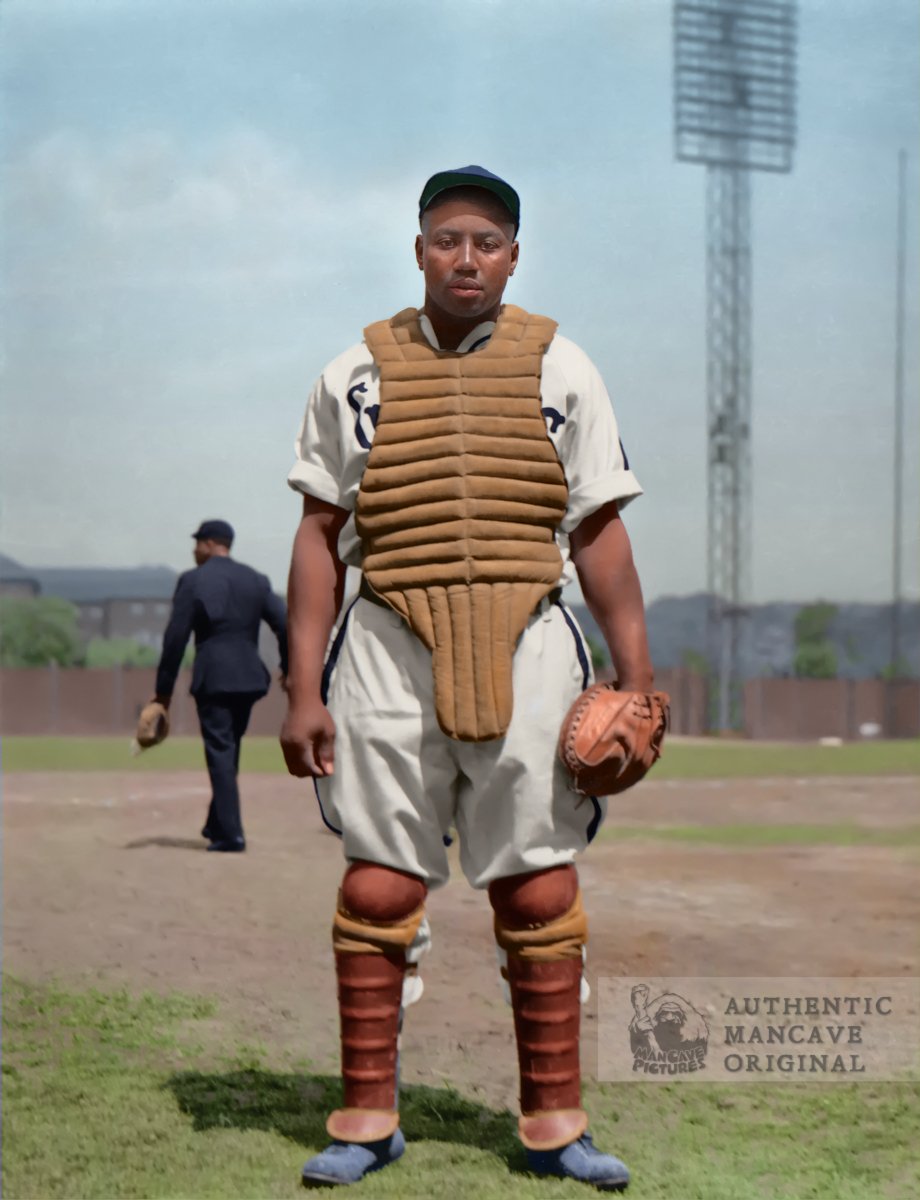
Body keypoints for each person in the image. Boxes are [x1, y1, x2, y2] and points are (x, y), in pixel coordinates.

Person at [281, 166, 654, 1191]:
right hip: (387, 643)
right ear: (417, 250)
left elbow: (598, 528)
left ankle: (553, 1121)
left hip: (528, 637)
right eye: (447, 239)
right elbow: (318, 534)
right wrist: (301, 688)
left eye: (486, 242)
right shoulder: (353, 374)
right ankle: (365, 1115)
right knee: (378, 877)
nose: (466, 259)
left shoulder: (562, 368)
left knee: (536, 881)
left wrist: (638, 673)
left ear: (513, 256)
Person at [154, 519, 288, 852]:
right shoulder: (255, 579)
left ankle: (231, 835)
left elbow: (175, 639)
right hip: (249, 678)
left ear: (211, 543)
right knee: (229, 749)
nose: (193, 549)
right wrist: (288, 666)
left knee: (220, 751)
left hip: (214, 677)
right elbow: (285, 624)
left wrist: (163, 693)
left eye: (197, 542)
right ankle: (217, 823)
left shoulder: (193, 580)